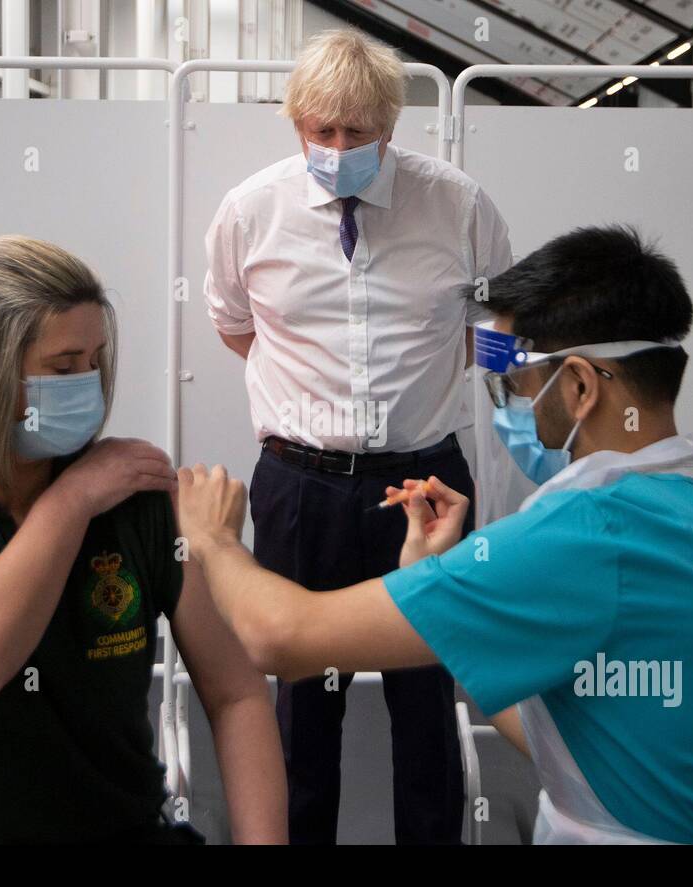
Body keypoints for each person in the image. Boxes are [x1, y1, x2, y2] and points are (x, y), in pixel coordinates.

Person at [176, 224, 693, 845]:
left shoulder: (582, 534)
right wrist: (448, 590)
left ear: (578, 384)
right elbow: (583, 737)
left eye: (514, 386)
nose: (509, 410)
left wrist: (214, 539)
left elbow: (282, 637)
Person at [0, 235, 286, 844]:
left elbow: (237, 694)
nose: (87, 383)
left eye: (94, 361)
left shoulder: (139, 498)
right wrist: (71, 501)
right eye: (63, 368)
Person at [202, 27, 512, 845]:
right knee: (304, 703)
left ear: (392, 126)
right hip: (300, 483)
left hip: (425, 485)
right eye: (321, 131)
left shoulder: (458, 205)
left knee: (426, 702)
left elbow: (500, 328)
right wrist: (320, 405)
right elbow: (237, 325)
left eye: (358, 133)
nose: (338, 149)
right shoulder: (250, 211)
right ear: (295, 121)